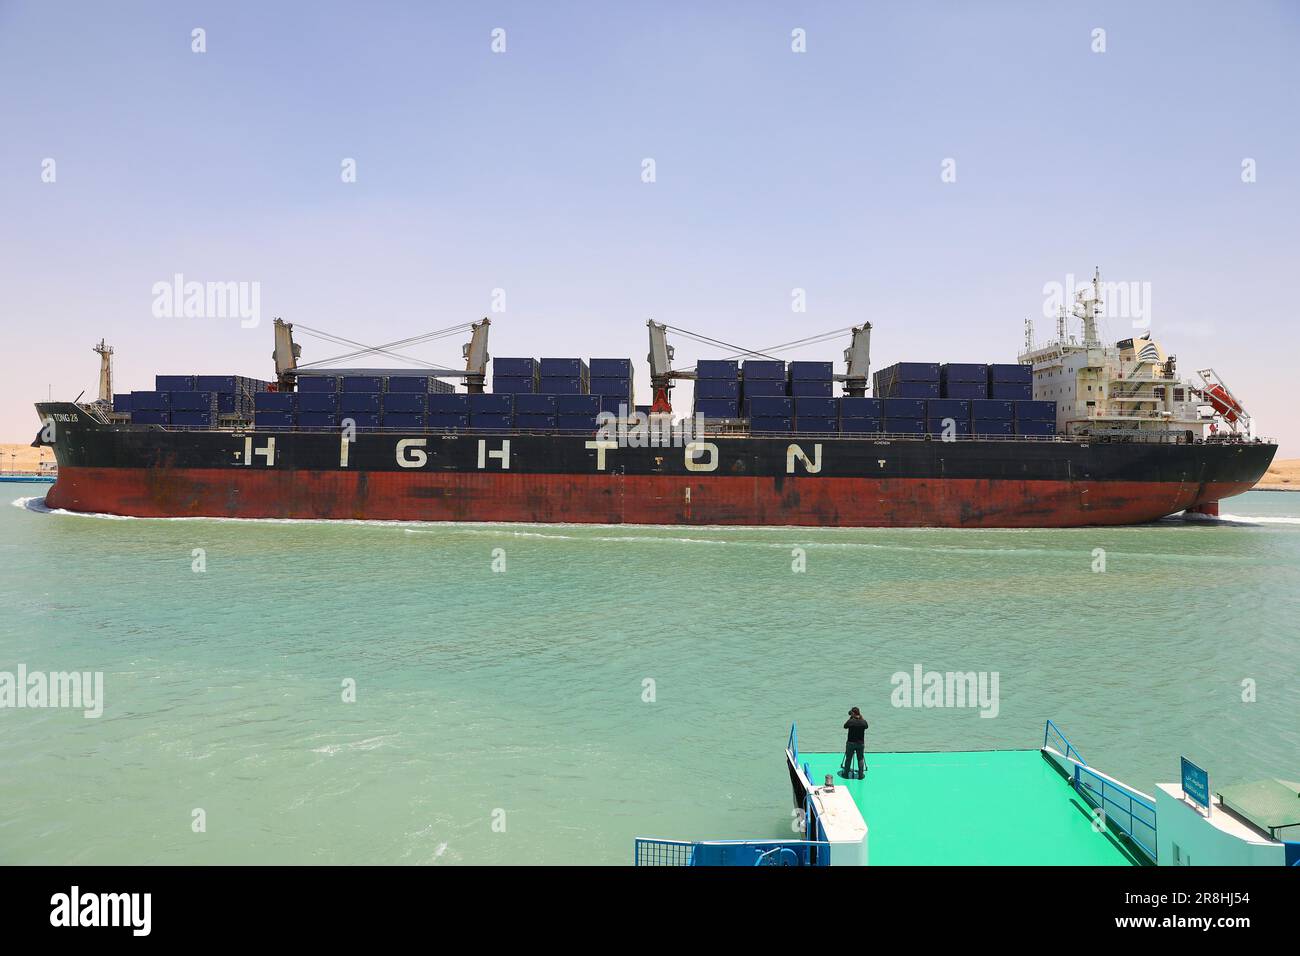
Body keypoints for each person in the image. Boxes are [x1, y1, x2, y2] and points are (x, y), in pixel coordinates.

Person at [842, 707, 868, 779]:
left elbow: (845, 726)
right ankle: (860, 775)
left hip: (851, 743)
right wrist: (861, 718)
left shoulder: (851, 721)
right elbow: (866, 726)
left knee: (848, 758)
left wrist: (851, 718)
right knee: (860, 759)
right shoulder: (863, 721)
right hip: (860, 744)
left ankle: (846, 774)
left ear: (853, 713)